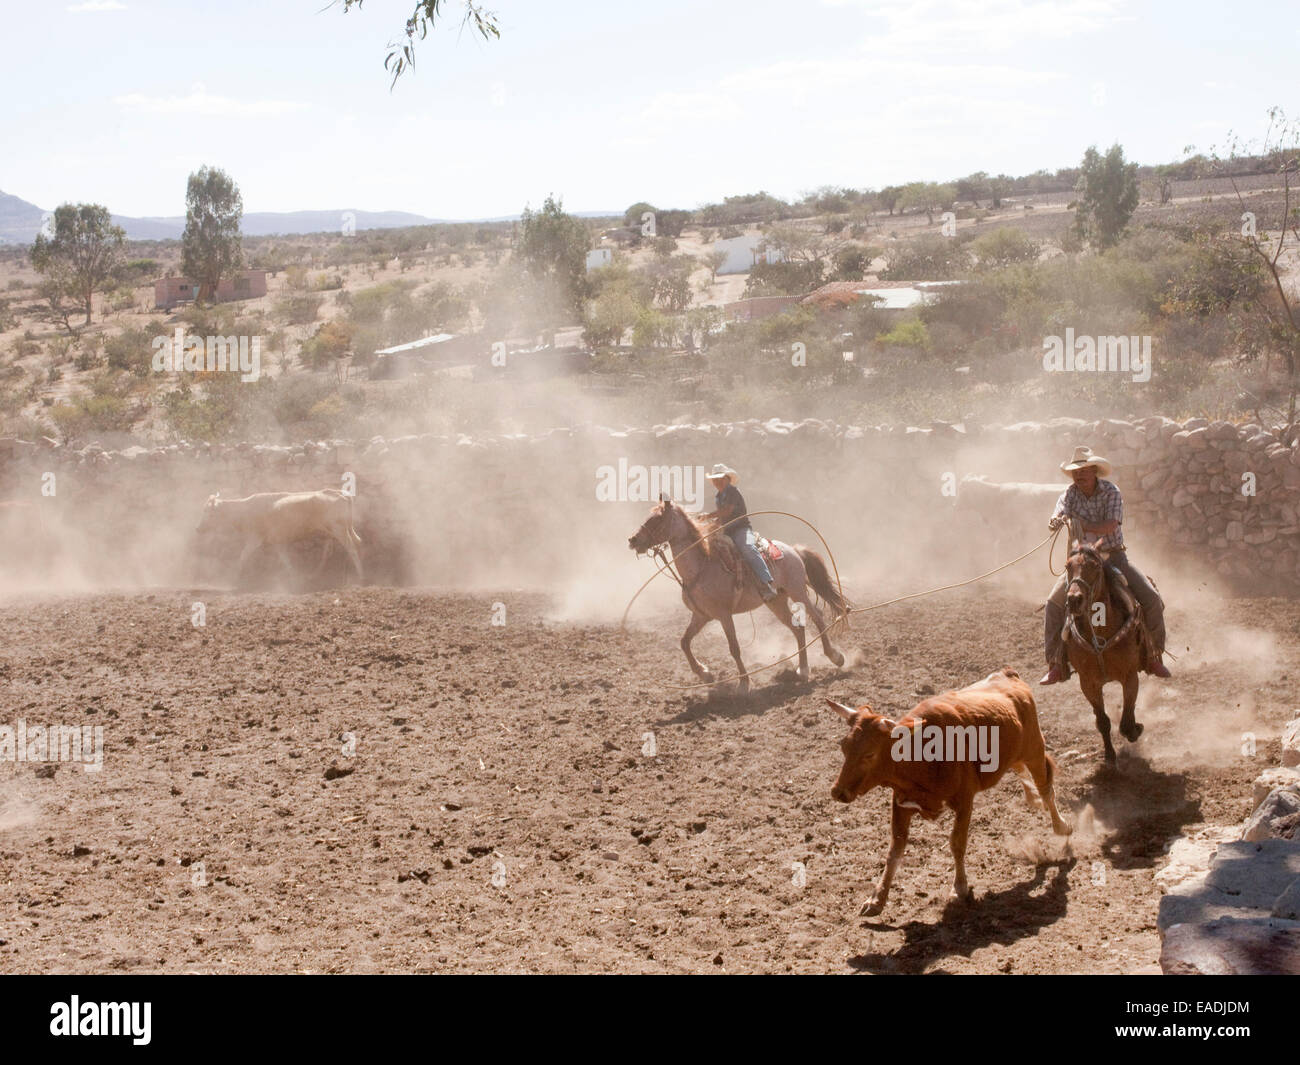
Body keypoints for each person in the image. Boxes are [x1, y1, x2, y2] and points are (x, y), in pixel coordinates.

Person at [1040, 446, 1171, 684]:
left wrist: (1080, 524)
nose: (1078, 476)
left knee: (1151, 598)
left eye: (1083, 471)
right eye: (1075, 472)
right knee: (1053, 604)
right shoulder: (1070, 494)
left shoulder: (1111, 492)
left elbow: (1111, 525)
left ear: (1093, 471)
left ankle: (1154, 655)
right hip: (1082, 562)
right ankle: (1056, 663)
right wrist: (1056, 520)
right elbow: (1058, 512)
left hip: (1113, 558)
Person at [702, 464, 778, 601]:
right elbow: (722, 517)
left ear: (727, 479)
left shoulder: (733, 492)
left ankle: (766, 583)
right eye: (714, 480)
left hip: (742, 529)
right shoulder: (718, 496)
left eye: (719, 479)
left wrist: (708, 516)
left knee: (748, 548)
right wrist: (711, 525)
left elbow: (727, 511)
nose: (717, 482)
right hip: (727, 531)